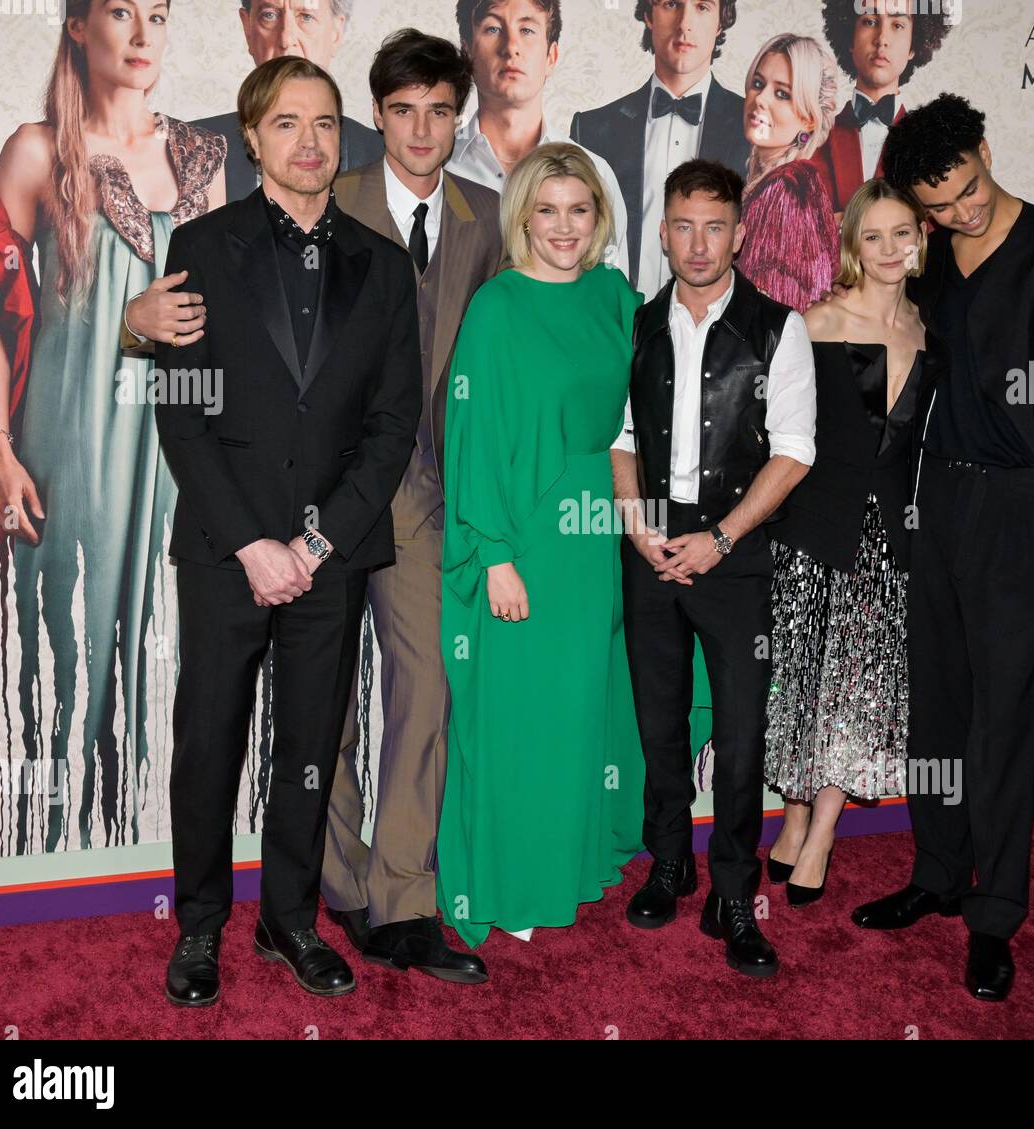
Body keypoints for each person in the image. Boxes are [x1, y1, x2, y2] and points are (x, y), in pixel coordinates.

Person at [851, 94, 1034, 1002]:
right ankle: (937, 870)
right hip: (937, 500)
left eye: (968, 188)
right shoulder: (929, 262)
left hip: (1022, 509)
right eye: (940, 204)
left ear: (984, 150)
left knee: (1003, 723)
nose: (961, 211)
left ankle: (995, 910)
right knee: (937, 707)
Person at [155, 56, 422, 1006]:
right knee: (209, 741)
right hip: (228, 553)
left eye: (325, 123)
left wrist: (315, 545)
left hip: (332, 556)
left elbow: (394, 424)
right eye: (287, 124)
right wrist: (253, 544)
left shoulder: (385, 266)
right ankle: (196, 928)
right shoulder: (199, 241)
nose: (310, 143)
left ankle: (290, 919)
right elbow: (179, 409)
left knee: (314, 740)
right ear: (253, 137)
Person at [0, 0, 225, 854]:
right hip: (69, 437)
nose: (147, 35)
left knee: (170, 647)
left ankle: (151, 854)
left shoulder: (200, 157)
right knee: (65, 644)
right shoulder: (39, 151)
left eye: (159, 14)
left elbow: (213, 320)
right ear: (78, 26)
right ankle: (42, 860)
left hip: (177, 444)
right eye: (122, 12)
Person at [321, 28, 502, 985]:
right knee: (327, 706)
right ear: (378, 114)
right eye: (402, 110)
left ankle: (401, 896)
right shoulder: (329, 200)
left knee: (425, 692)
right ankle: (341, 879)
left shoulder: (488, 219)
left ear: (458, 115)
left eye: (440, 110)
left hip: (425, 499)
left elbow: (510, 354)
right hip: (320, 500)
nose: (422, 128)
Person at [434, 142, 645, 947]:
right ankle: (512, 880)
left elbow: (646, 408)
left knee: (583, 712)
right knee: (518, 718)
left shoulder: (615, 297)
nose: (563, 226)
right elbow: (473, 437)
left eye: (579, 209)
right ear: (521, 217)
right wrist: (494, 556)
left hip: (598, 540)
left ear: (600, 218)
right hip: (524, 538)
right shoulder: (497, 307)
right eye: (545, 210)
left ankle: (571, 863)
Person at [613, 158, 816, 978]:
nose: (698, 243)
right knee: (658, 721)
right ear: (663, 234)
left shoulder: (779, 327)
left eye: (715, 226)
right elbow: (623, 435)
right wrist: (634, 523)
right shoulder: (638, 324)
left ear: (739, 233)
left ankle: (733, 893)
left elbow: (795, 452)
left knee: (740, 737)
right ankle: (670, 861)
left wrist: (723, 538)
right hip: (652, 549)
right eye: (683, 226)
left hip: (737, 558)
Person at [763, 179, 940, 907]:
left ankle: (823, 832)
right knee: (804, 677)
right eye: (875, 236)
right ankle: (795, 810)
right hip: (814, 526)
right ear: (852, 247)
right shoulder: (816, 322)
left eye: (904, 234)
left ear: (922, 242)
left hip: (891, 537)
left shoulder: (929, 333)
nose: (892, 248)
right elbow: (783, 436)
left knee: (858, 687)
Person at [570, 0, 748, 299]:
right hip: (619, 327)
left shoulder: (755, 130)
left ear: (720, 22)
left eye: (702, 7)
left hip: (722, 328)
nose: (684, 24)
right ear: (649, 15)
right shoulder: (591, 130)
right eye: (671, 4)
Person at [448, 0, 631, 279]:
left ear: (551, 57)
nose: (511, 47)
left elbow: (608, 302)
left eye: (527, 30)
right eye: (493, 28)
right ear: (467, 51)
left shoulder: (595, 174)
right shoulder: (439, 169)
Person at [190, 0, 384, 202]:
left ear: (336, 31)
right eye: (269, 15)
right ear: (248, 27)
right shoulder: (191, 150)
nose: (286, 38)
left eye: (306, 16)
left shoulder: (380, 155)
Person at [812, 0, 951, 216]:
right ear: (850, 36)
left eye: (897, 25)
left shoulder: (933, 147)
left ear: (913, 45)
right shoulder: (813, 141)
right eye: (869, 21)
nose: (882, 39)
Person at [734, 33, 841, 313]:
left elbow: (777, 315)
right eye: (758, 84)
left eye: (782, 93)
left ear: (808, 118)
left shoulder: (786, 190)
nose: (760, 99)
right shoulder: (786, 183)